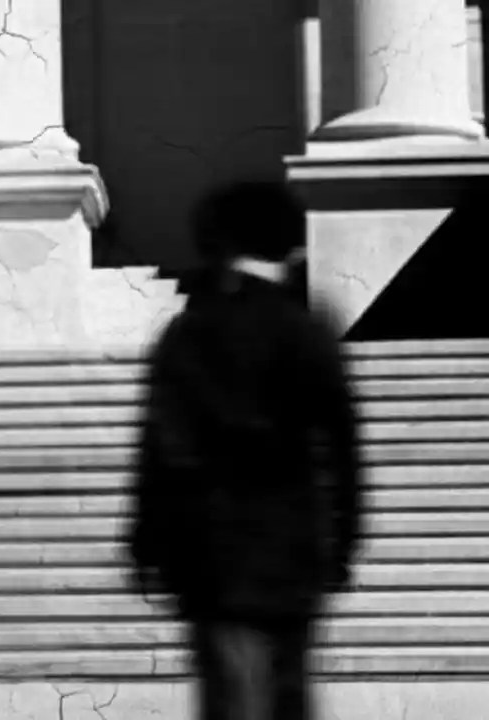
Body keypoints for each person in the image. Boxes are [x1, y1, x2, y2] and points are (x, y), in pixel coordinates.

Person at [126, 180, 363, 720]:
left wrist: (145, 541)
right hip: (293, 549)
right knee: (287, 692)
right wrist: (344, 539)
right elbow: (342, 446)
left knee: (233, 696)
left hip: (213, 552)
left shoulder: (190, 332)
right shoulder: (306, 329)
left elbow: (160, 449)